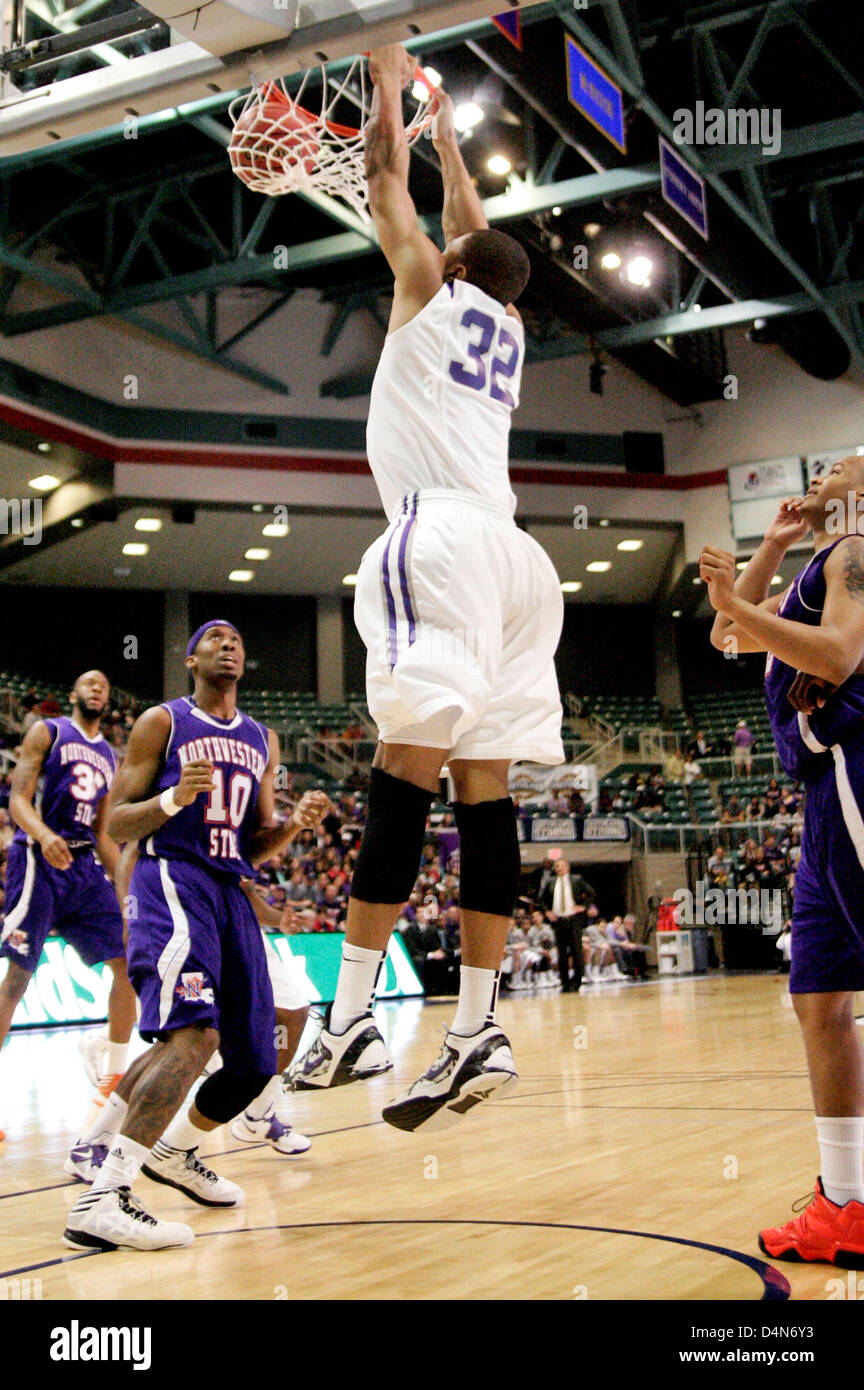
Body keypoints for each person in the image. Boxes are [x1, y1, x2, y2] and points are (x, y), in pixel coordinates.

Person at [286, 47, 564, 1133]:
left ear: (452, 266)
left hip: (438, 536)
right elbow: (469, 224)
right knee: (481, 789)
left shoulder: (426, 291)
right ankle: (477, 1024)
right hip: (514, 562)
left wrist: (386, 77)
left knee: (403, 778)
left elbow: (384, 187)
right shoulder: (508, 319)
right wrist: (452, 134)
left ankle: (352, 1016)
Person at [62, 621, 330, 1252]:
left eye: (238, 638)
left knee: (254, 1062)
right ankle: (105, 1195)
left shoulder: (262, 738)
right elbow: (117, 820)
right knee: (193, 1034)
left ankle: (168, 1152)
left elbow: (253, 844)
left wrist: (293, 825)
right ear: (191, 659)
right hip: (173, 880)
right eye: (215, 637)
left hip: (228, 892)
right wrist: (174, 800)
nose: (229, 644)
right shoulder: (164, 721)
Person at [702, 460, 864, 1266]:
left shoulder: (859, 551)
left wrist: (737, 602)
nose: (830, 466)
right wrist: (764, 552)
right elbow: (726, 635)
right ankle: (846, 1202)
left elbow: (834, 655)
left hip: (857, 766)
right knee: (820, 1000)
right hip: (823, 799)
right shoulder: (819, 560)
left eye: (847, 460)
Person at [0, 671, 137, 1140]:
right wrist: (44, 835)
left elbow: (103, 832)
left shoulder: (108, 755)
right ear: (72, 694)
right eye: (88, 683)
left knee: (128, 961)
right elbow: (17, 800)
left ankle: (113, 1078)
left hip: (82, 866)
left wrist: (125, 890)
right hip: (38, 857)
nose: (98, 688)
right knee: (16, 980)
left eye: (104, 684)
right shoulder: (48, 730)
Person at [538, 858, 592, 993]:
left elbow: (591, 894)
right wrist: (547, 912)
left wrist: (583, 907)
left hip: (573, 920)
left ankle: (577, 982)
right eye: (556, 866)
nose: (558, 868)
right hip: (558, 921)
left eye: (561, 866)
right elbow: (541, 900)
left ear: (567, 867)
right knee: (561, 953)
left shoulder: (576, 880)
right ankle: (565, 983)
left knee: (577, 952)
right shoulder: (550, 881)